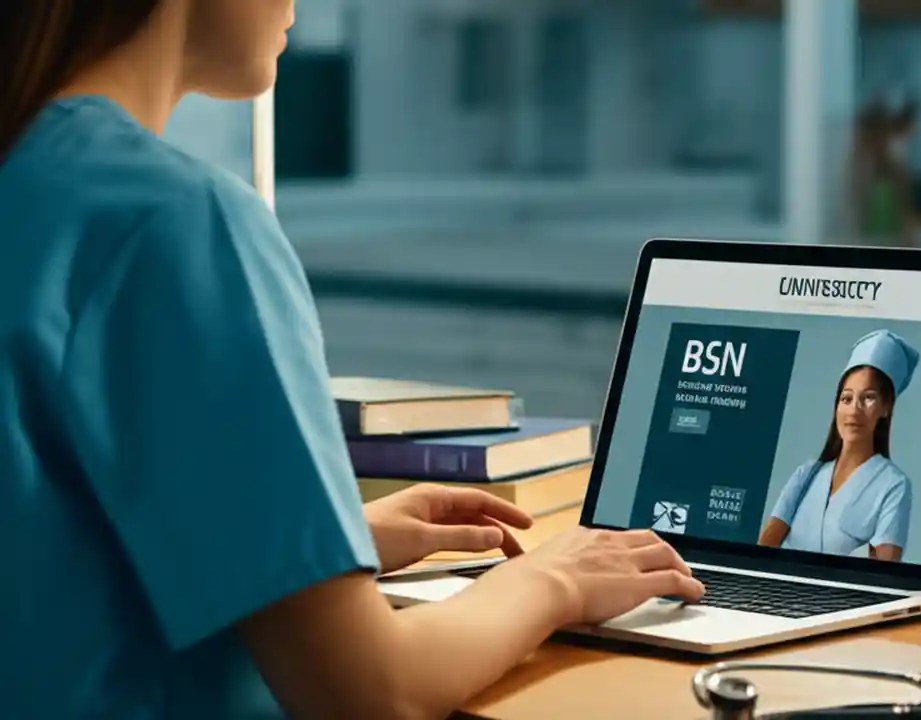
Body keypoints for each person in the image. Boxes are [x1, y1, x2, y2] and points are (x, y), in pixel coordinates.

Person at [0, 2, 703, 718]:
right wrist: (556, 580)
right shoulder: (176, 220)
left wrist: (324, 546)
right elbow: (372, 691)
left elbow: (55, 544)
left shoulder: (32, 179)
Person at [759, 330, 919, 561]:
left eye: (868, 398)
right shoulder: (806, 475)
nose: (854, 410)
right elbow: (764, 550)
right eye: (847, 398)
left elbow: (885, 568)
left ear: (886, 408)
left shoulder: (893, 485)